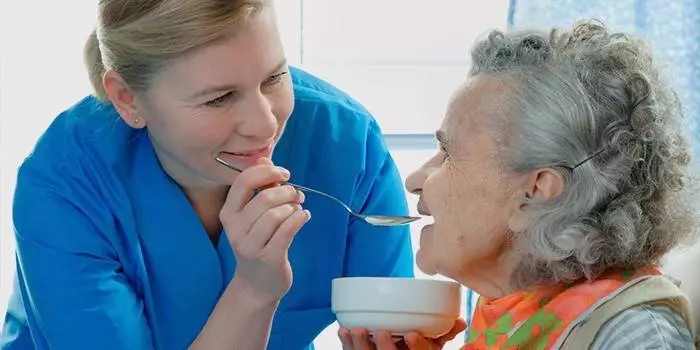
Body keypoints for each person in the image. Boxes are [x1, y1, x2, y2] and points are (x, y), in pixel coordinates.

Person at [0, 1, 415, 349]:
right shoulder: (65, 183)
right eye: (219, 98)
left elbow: (389, 321)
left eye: (274, 77)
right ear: (128, 99)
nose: (265, 125)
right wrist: (254, 289)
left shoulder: (346, 144)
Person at [339, 21, 699, 349]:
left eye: (447, 153)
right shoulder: (512, 320)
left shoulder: (634, 334)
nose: (415, 180)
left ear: (536, 192)